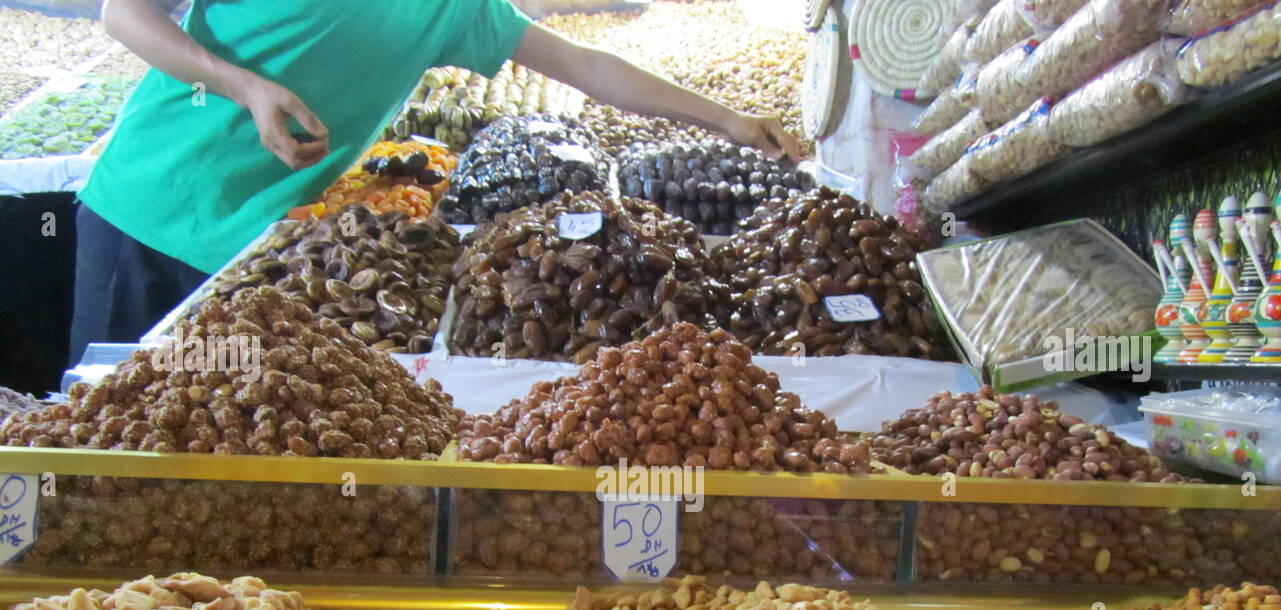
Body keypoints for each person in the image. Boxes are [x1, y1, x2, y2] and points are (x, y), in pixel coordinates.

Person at [70, 0, 802, 362]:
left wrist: (726, 118)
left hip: (258, 241)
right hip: (148, 207)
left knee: (199, 436)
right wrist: (240, 87)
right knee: (104, 431)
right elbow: (123, 13)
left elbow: (584, 65)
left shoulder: (447, 8)